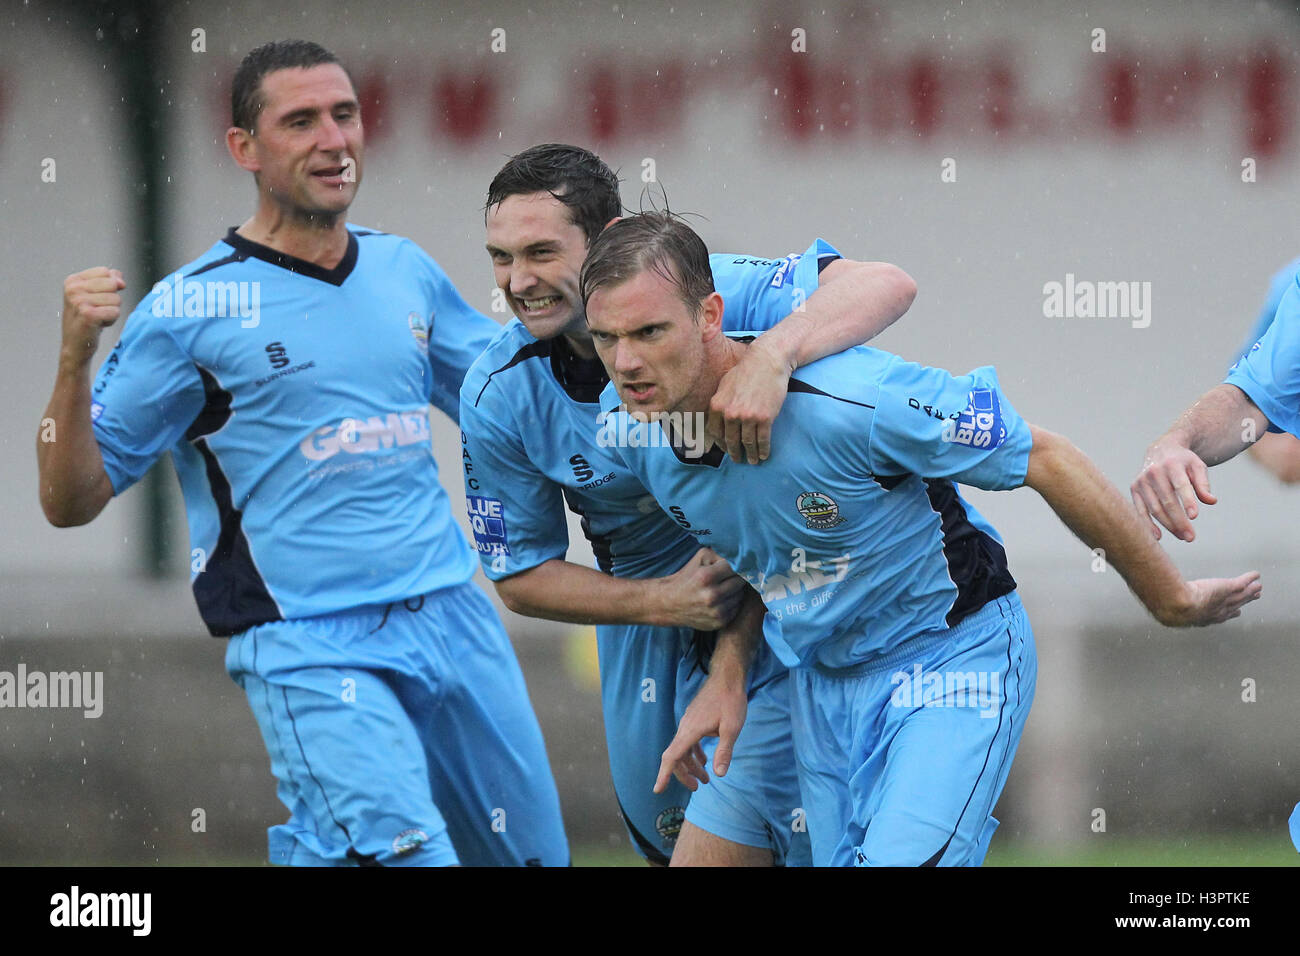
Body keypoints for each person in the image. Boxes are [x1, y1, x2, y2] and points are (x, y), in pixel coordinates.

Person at [583, 212, 1262, 866]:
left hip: (949, 657)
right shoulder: (631, 432)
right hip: (821, 682)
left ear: (710, 317)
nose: (627, 362)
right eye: (607, 339)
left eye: (648, 331)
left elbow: (1045, 457)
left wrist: (1168, 597)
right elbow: (759, 547)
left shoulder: (851, 401)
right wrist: (728, 673)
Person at [36, 40, 568, 867]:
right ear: (244, 148)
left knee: (531, 861)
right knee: (400, 857)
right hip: (310, 643)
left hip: (453, 615)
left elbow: (516, 398)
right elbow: (70, 500)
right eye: (301, 120)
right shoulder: (190, 312)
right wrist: (75, 361)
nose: (334, 139)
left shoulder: (402, 270)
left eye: (345, 114)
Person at [460, 144, 917, 864]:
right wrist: (662, 602)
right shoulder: (499, 390)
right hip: (657, 620)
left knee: (820, 838)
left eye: (541, 252)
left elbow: (885, 284)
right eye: (500, 258)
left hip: (792, 585)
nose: (519, 282)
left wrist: (773, 356)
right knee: (670, 840)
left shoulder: (707, 293)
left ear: (607, 238)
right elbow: (516, 575)